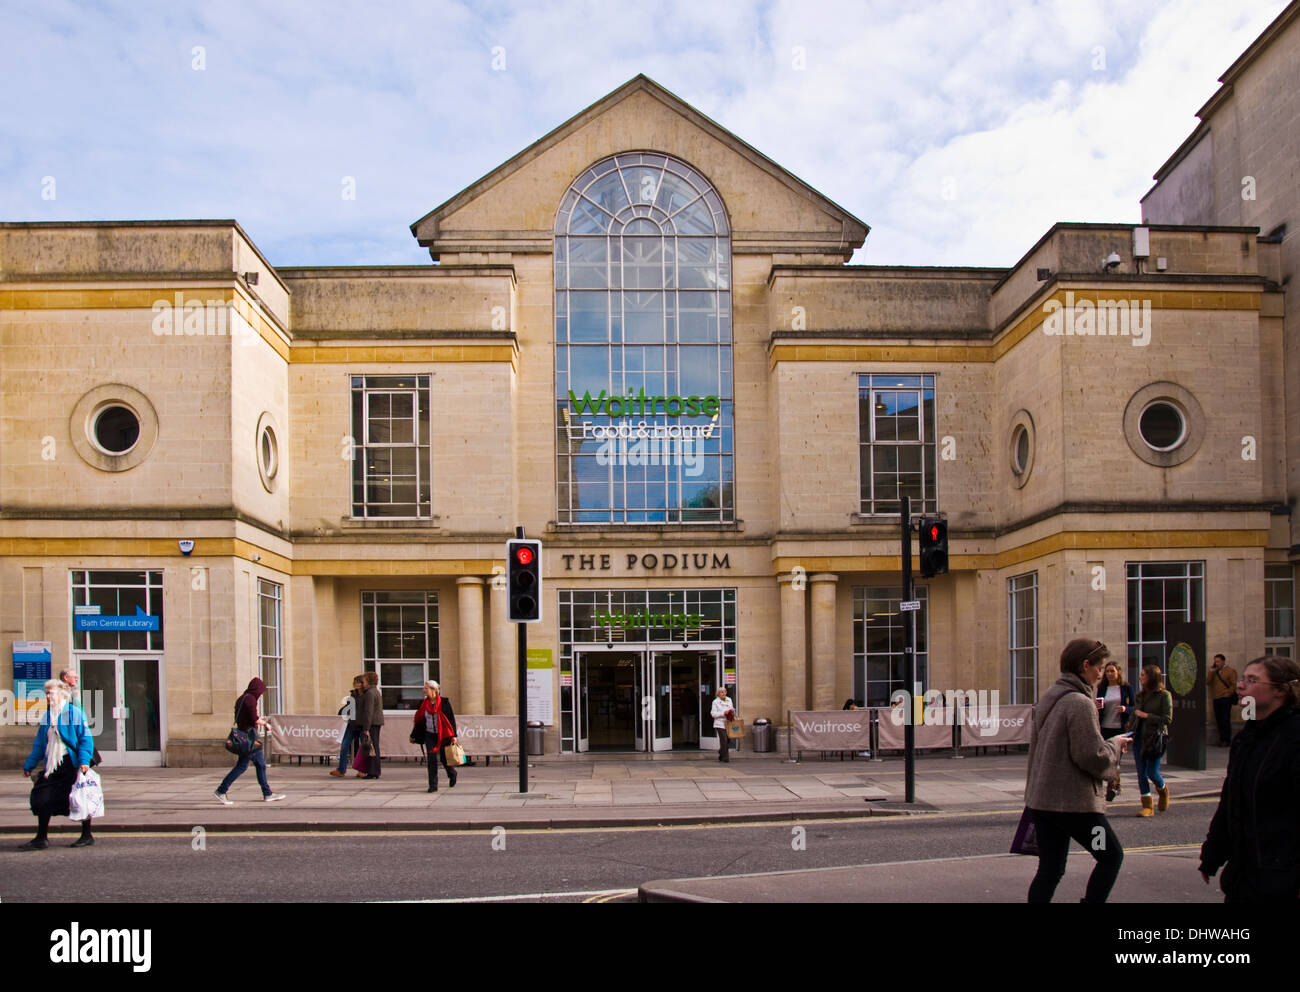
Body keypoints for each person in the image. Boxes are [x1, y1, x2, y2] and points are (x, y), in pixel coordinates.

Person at [1023, 638, 1131, 903]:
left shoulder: (1050, 695)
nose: (1100, 674)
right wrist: (1115, 745)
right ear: (1085, 665)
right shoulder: (1080, 703)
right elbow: (1090, 755)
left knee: (1049, 870)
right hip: (1074, 807)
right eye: (1099, 667)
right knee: (1111, 856)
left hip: (1043, 803)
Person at [1199, 655, 1300, 902]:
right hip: (1244, 874)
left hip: (1283, 877)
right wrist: (1212, 854)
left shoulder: (1294, 736)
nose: (1241, 685)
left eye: (1252, 680)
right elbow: (1231, 800)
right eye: (1243, 678)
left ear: (1280, 691)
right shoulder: (1248, 736)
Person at [20, 680, 97, 849]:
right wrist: (29, 765)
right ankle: (41, 838)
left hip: (71, 763)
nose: (47, 696)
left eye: (51, 693)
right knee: (41, 798)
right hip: (53, 765)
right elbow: (41, 744)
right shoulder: (48, 715)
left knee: (79, 797)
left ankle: (86, 835)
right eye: (46, 693)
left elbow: (85, 738)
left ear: (62, 694)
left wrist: (84, 761)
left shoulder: (73, 713)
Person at [214, 677, 285, 804]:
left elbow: (246, 717)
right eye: (261, 692)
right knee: (252, 765)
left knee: (252, 765)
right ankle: (222, 790)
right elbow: (253, 719)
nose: (261, 695)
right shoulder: (251, 699)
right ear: (256, 690)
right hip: (249, 737)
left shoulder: (242, 698)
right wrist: (265, 724)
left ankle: (266, 793)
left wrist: (259, 719)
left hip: (244, 736)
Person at [1130, 664, 1173, 817]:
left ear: (1152, 677)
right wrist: (1129, 731)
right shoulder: (1140, 695)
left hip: (1155, 739)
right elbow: (1135, 714)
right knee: (1141, 773)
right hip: (1139, 738)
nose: (1140, 677)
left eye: (1143, 675)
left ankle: (1163, 790)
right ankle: (1147, 806)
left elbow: (1167, 719)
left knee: (1152, 773)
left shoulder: (1164, 695)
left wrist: (1147, 716)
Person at [1097, 662, 1135, 802]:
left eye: (1112, 671)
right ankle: (1114, 786)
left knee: (1116, 759)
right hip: (1105, 727)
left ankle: (1112, 787)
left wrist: (1126, 709)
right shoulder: (1102, 688)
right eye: (1107, 671)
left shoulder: (1126, 688)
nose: (1109, 674)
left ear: (1118, 672)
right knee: (1107, 759)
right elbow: (1099, 705)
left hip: (1120, 727)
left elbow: (1134, 706)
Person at [412, 680, 458, 792]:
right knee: (431, 759)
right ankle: (433, 785)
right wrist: (413, 735)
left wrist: (454, 735)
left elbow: (451, 719)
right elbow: (419, 721)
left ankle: (452, 774)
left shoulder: (444, 702)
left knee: (444, 758)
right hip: (429, 734)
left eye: (426, 688)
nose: (424, 690)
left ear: (434, 690)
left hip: (443, 734)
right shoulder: (423, 704)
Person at [330, 675, 365, 777]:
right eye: (355, 682)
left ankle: (362, 770)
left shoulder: (366, 695)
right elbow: (348, 707)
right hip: (352, 724)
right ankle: (341, 769)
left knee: (363, 748)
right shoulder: (352, 695)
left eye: (359, 682)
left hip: (362, 724)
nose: (357, 684)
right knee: (344, 745)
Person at [356, 670, 385, 779]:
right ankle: (373, 771)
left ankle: (373, 771)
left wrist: (366, 728)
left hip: (372, 723)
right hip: (375, 722)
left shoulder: (370, 693)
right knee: (374, 747)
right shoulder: (374, 691)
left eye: (364, 680)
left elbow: (368, 711)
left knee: (371, 748)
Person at [1208, 653, 1239, 747]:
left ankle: (1227, 739)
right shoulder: (1214, 671)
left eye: (1218, 661)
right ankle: (1221, 738)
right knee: (1219, 719)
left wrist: (1228, 693)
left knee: (1225, 719)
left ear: (1223, 661)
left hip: (1225, 698)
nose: (1216, 663)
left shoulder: (1230, 671)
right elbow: (1208, 682)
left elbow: (1233, 685)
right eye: (1215, 661)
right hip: (1216, 697)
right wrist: (1211, 672)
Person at [711, 687, 735, 763]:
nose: (723, 693)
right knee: (724, 740)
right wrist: (723, 713)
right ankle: (726, 757)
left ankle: (721, 752)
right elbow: (713, 714)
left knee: (728, 740)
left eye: (724, 692)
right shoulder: (715, 702)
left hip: (728, 723)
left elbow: (732, 708)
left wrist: (732, 711)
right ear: (718, 694)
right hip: (719, 724)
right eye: (721, 692)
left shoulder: (729, 699)